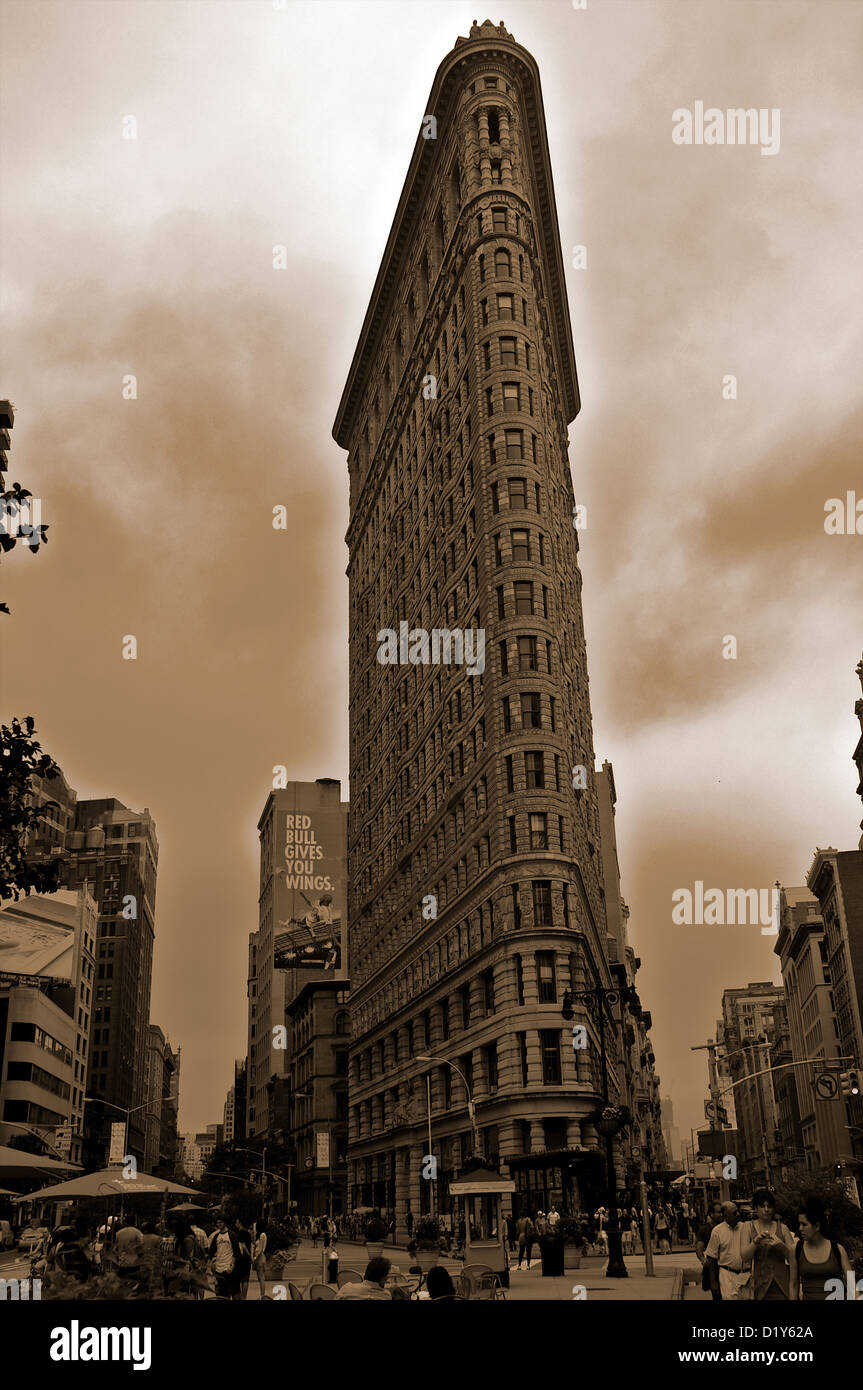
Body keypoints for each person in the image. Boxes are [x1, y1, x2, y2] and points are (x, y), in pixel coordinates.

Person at [790, 1197, 851, 1301]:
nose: (800, 1228)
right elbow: (793, 1285)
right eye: (799, 1224)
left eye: (804, 1224)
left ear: (817, 1226)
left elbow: (852, 1284)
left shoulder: (838, 1250)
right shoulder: (796, 1249)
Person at [740, 1189, 794, 1301]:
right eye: (762, 1206)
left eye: (769, 1206)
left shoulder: (783, 1228)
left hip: (782, 1284)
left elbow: (793, 1258)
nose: (766, 1209)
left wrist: (781, 1245)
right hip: (759, 1286)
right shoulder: (748, 1227)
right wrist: (756, 1241)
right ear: (755, 1208)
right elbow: (744, 1256)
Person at [705, 1202, 750, 1301]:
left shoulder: (746, 1228)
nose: (738, 1214)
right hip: (727, 1275)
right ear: (726, 1216)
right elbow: (711, 1258)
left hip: (745, 1276)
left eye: (738, 1211)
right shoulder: (717, 1231)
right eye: (734, 1213)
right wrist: (713, 1283)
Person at [695, 1202, 724, 1301]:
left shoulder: (727, 1227)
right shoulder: (705, 1230)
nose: (721, 1215)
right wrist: (703, 1260)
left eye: (722, 1212)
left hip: (726, 1267)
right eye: (718, 1212)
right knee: (717, 1295)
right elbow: (699, 1247)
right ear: (711, 1214)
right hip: (713, 1268)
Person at [208, 1218, 238, 1299]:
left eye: (220, 1222)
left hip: (228, 1268)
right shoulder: (216, 1236)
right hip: (218, 1269)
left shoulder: (232, 1235)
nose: (218, 1224)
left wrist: (231, 1266)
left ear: (225, 1223)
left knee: (231, 1292)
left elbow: (236, 1252)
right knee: (221, 1294)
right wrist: (211, 1263)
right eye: (217, 1222)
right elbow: (211, 1251)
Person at [114, 1218, 144, 1283]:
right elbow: (142, 1246)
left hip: (122, 1262)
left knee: (122, 1282)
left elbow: (114, 1248)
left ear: (125, 1222)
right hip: (134, 1262)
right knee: (134, 1282)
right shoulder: (137, 1232)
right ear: (134, 1222)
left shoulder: (118, 1233)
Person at [252, 1221, 268, 1299]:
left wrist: (255, 1258)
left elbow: (261, 1249)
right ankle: (262, 1294)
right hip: (258, 1256)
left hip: (260, 1257)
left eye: (255, 1226)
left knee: (261, 1278)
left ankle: (262, 1295)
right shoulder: (259, 1235)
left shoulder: (262, 1235)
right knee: (259, 1277)